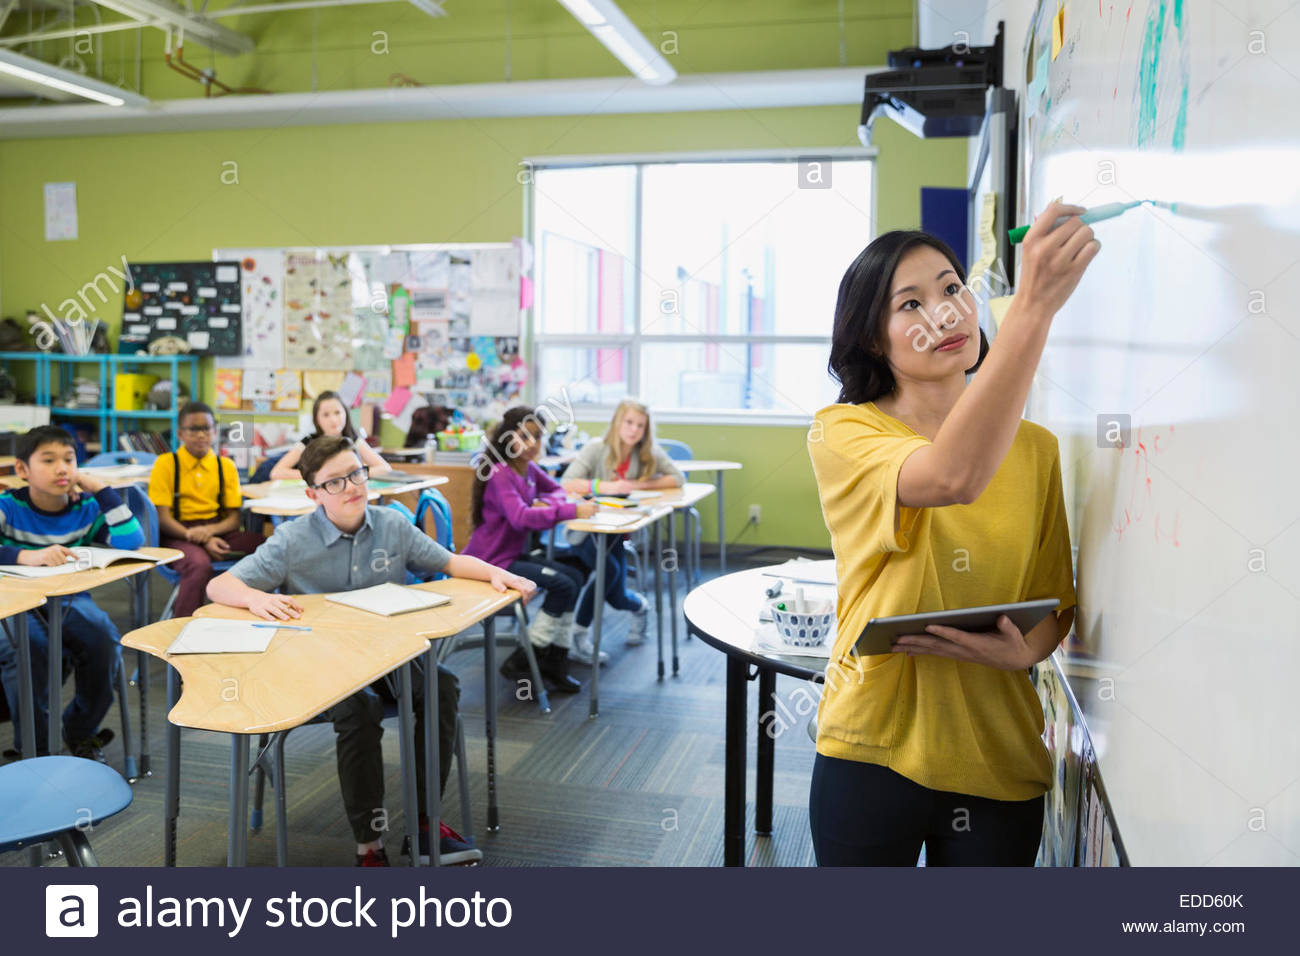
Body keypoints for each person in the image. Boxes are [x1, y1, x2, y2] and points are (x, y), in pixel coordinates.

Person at [807, 204, 1100, 866]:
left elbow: (1056, 605)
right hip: (872, 748)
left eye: (951, 289)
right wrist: (1035, 308)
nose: (944, 315)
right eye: (910, 304)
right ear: (873, 340)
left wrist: (1022, 654)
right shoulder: (845, 431)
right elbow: (952, 477)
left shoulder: (1037, 451)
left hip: (999, 758)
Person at [206, 434, 537, 866]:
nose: (351, 487)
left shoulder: (391, 525)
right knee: (359, 710)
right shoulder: (291, 541)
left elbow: (450, 562)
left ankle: (423, 822)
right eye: (335, 482)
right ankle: (369, 842)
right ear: (313, 494)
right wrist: (255, 598)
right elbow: (219, 585)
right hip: (324, 664)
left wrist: (502, 575)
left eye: (356, 474)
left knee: (443, 687)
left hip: (387, 653)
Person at [0, 425, 144, 761]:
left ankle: (79, 730)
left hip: (67, 597)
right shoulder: (8, 506)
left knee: (103, 638)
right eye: (48, 460)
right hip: (12, 601)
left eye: (69, 459)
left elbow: (131, 542)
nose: (62, 468)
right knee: (29, 646)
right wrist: (27, 556)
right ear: (23, 470)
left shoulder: (86, 508)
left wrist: (101, 490)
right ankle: (34, 748)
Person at [463, 406, 598, 694]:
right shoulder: (501, 473)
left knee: (574, 576)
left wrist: (548, 504)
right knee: (563, 584)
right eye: (523, 436)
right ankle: (527, 658)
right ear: (508, 438)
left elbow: (558, 490)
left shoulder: (528, 469)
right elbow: (520, 517)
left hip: (510, 557)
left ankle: (556, 661)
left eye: (537, 436)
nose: (531, 443)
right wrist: (571, 510)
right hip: (491, 563)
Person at [560, 399, 683, 665]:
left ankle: (639, 607)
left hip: (618, 532)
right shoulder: (596, 448)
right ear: (617, 421)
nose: (634, 430)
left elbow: (677, 477)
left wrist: (636, 484)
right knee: (612, 572)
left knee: (615, 596)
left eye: (640, 425)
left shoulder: (646, 452)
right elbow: (566, 483)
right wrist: (603, 486)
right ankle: (578, 637)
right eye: (629, 422)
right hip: (587, 531)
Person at [147, 401, 264, 618]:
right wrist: (197, 537)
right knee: (199, 565)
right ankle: (183, 626)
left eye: (206, 429)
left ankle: (259, 613)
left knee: (267, 547)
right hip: (179, 532)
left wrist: (208, 534)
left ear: (214, 431)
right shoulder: (166, 463)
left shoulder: (225, 466)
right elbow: (162, 518)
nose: (201, 435)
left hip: (218, 529)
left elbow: (233, 518)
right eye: (194, 429)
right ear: (180, 433)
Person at [270, 390, 390, 480]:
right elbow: (276, 472)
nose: (333, 420)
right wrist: (318, 477)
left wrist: (352, 475)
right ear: (317, 419)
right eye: (326, 415)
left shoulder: (353, 441)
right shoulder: (309, 442)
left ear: (346, 413)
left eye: (337, 413)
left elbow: (385, 469)